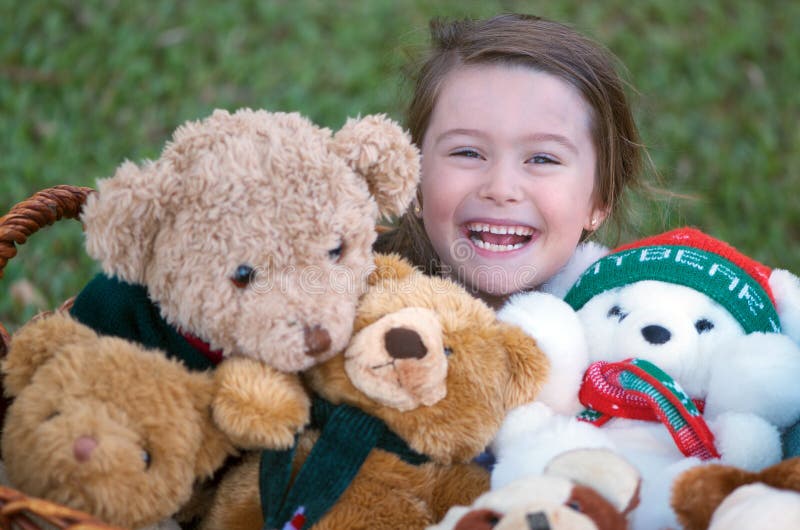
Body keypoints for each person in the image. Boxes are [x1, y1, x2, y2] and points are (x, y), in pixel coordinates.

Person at [375, 13, 651, 308]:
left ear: (600, 199)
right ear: (414, 179)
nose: (501, 188)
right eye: (467, 152)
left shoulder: (636, 331)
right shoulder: (343, 292)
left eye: (543, 159)